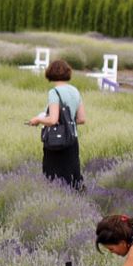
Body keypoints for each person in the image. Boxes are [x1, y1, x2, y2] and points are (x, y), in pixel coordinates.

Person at [29, 59, 84, 188]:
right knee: (72, 179)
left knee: (53, 178)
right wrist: (67, 122)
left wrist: (37, 120)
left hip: (56, 142)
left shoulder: (54, 93)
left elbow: (53, 120)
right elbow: (81, 119)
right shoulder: (75, 91)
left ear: (50, 73)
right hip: (72, 140)